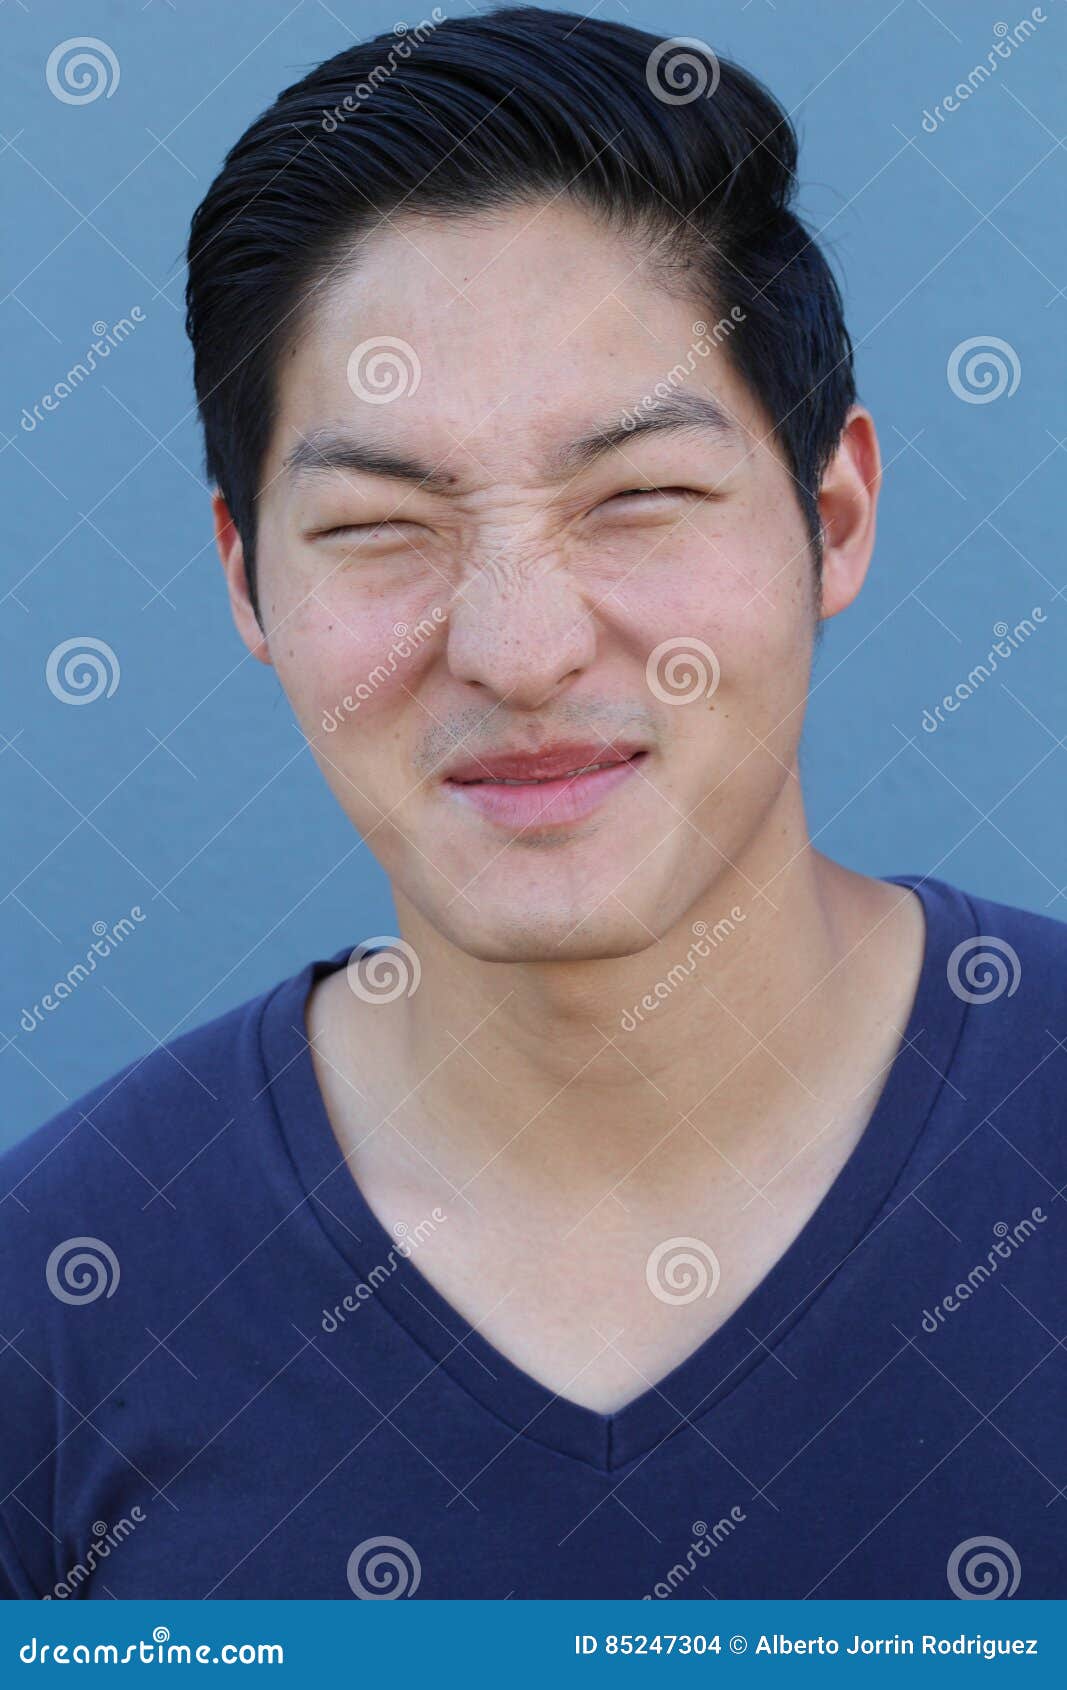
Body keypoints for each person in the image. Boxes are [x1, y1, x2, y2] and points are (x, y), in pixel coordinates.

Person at [2, 6, 1063, 1602]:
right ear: (246, 581)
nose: (518, 647)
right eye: (379, 525)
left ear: (831, 518)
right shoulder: (58, 1302)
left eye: (637, 497)